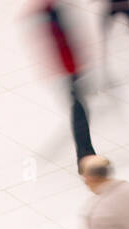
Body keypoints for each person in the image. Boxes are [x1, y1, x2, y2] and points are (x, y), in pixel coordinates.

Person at [35, 0, 96, 161]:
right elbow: (64, 45)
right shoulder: (53, 13)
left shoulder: (51, 12)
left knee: (79, 111)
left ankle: (85, 153)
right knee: (79, 112)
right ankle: (85, 154)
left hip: (69, 70)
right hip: (70, 70)